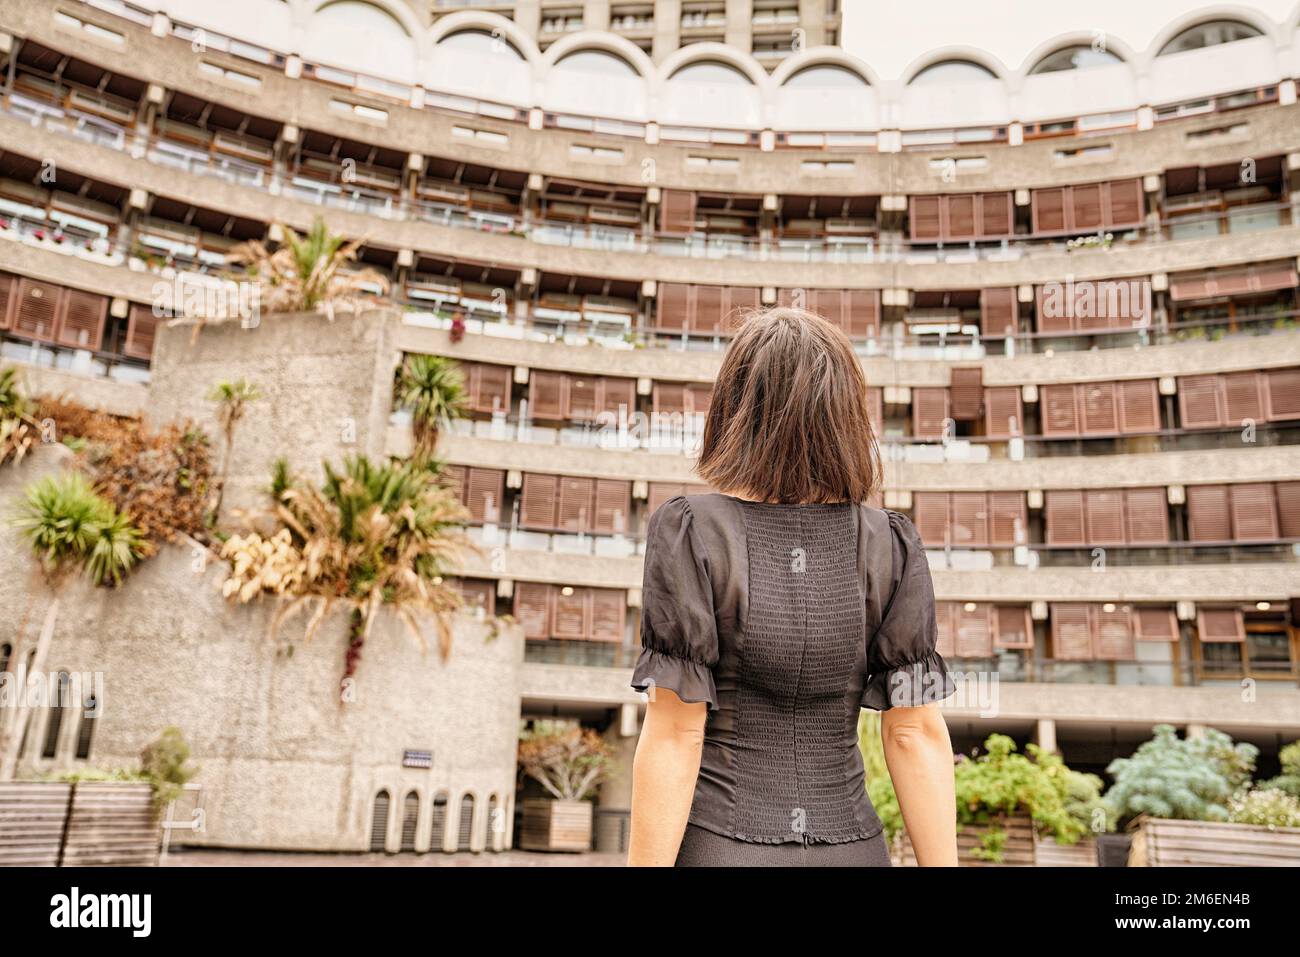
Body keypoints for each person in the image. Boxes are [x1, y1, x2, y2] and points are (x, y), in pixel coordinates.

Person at [626, 307, 958, 867]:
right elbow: (913, 734)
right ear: (846, 414)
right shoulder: (891, 544)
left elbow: (676, 733)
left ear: (735, 410)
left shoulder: (691, 530)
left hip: (719, 849)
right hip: (854, 852)